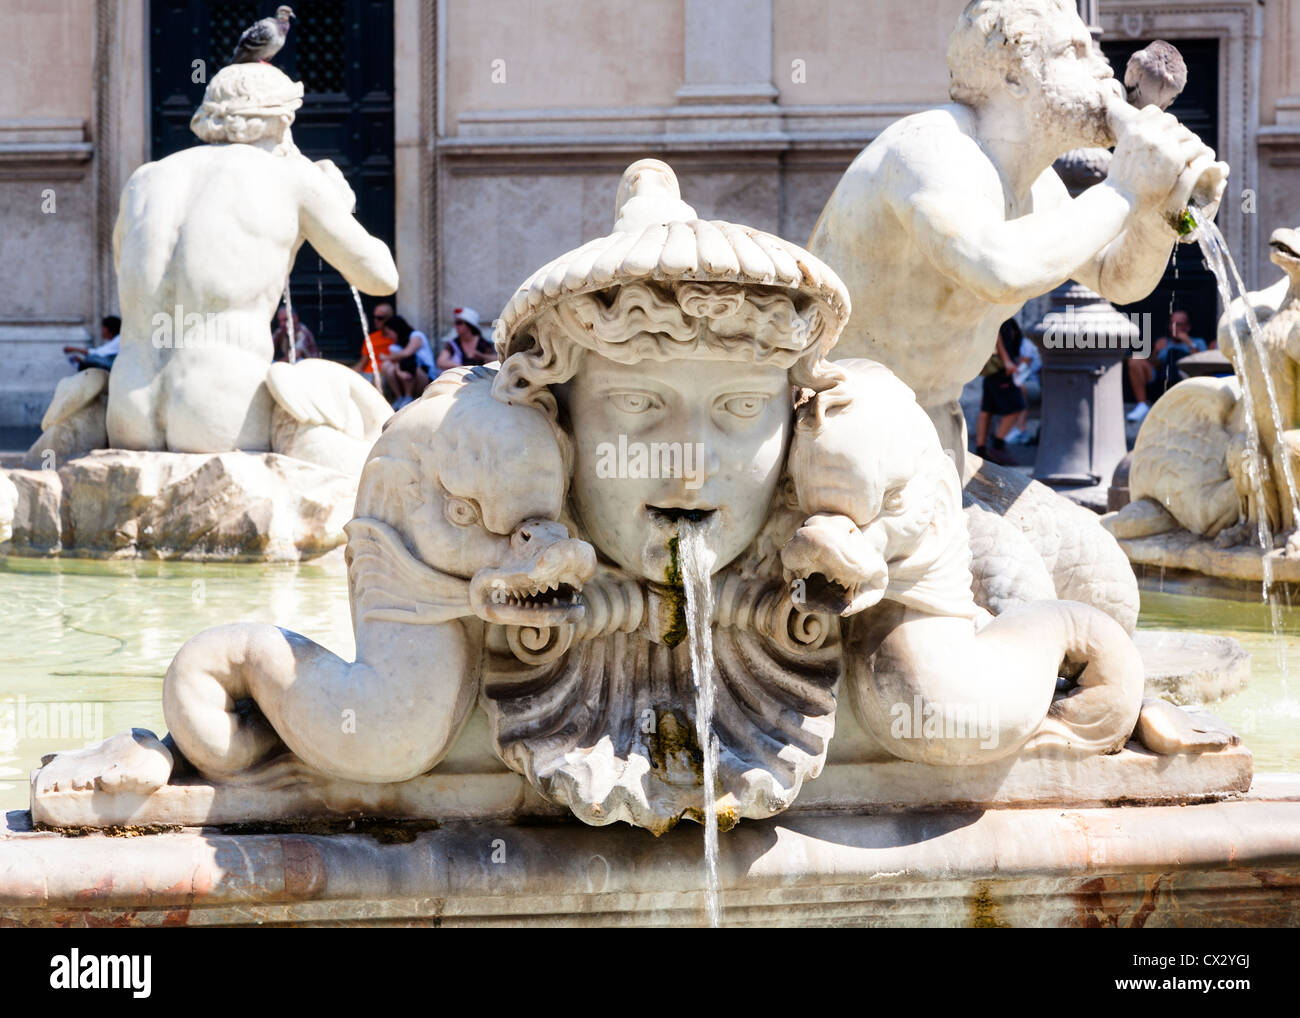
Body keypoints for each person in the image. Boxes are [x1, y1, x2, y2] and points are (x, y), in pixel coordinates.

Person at [807, 0, 1226, 470]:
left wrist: (1156, 210)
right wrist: (1125, 187)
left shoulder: (1040, 184)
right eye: (1076, 51)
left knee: (1089, 547)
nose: (1105, 67)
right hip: (838, 434)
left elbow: (1117, 278)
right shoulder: (934, 146)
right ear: (1012, 77)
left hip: (929, 436)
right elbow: (997, 269)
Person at [1126, 309, 1198, 422]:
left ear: (1187, 327)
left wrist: (1189, 343)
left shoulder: (1197, 342)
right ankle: (1142, 405)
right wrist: (1156, 352)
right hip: (1161, 381)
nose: (1174, 328)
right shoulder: (1163, 342)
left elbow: (1202, 365)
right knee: (1135, 360)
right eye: (1171, 324)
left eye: (1178, 324)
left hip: (1186, 383)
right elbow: (1154, 367)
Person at [974, 321, 1026, 464]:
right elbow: (995, 332)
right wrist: (1007, 361)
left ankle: (981, 449)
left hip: (993, 370)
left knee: (986, 411)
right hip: (1001, 369)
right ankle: (997, 446)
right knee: (1016, 407)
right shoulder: (1002, 316)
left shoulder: (1007, 318)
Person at [378, 315, 432, 407]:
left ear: (396, 329)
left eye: (389, 332)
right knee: (387, 365)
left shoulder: (416, 336)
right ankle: (399, 397)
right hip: (406, 376)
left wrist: (387, 357)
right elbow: (395, 362)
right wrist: (398, 372)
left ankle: (408, 397)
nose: (388, 336)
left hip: (426, 377)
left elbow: (407, 353)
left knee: (406, 362)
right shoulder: (396, 345)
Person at [1004, 318, 1041, 444]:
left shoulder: (1025, 345)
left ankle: (1021, 428)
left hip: (1034, 382)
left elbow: (1022, 371)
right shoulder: (1008, 346)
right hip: (1016, 381)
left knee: (1020, 389)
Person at [435, 307, 494, 373]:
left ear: (470, 325)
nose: (455, 326)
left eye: (459, 323)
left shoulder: (483, 343)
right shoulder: (453, 343)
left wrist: (481, 356)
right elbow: (441, 362)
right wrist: (461, 368)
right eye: (455, 322)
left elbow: (496, 360)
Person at [353, 301, 395, 391]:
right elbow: (362, 363)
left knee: (377, 381)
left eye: (380, 318)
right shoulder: (371, 338)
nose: (375, 321)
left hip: (384, 374)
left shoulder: (396, 338)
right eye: (374, 317)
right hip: (367, 374)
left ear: (389, 319)